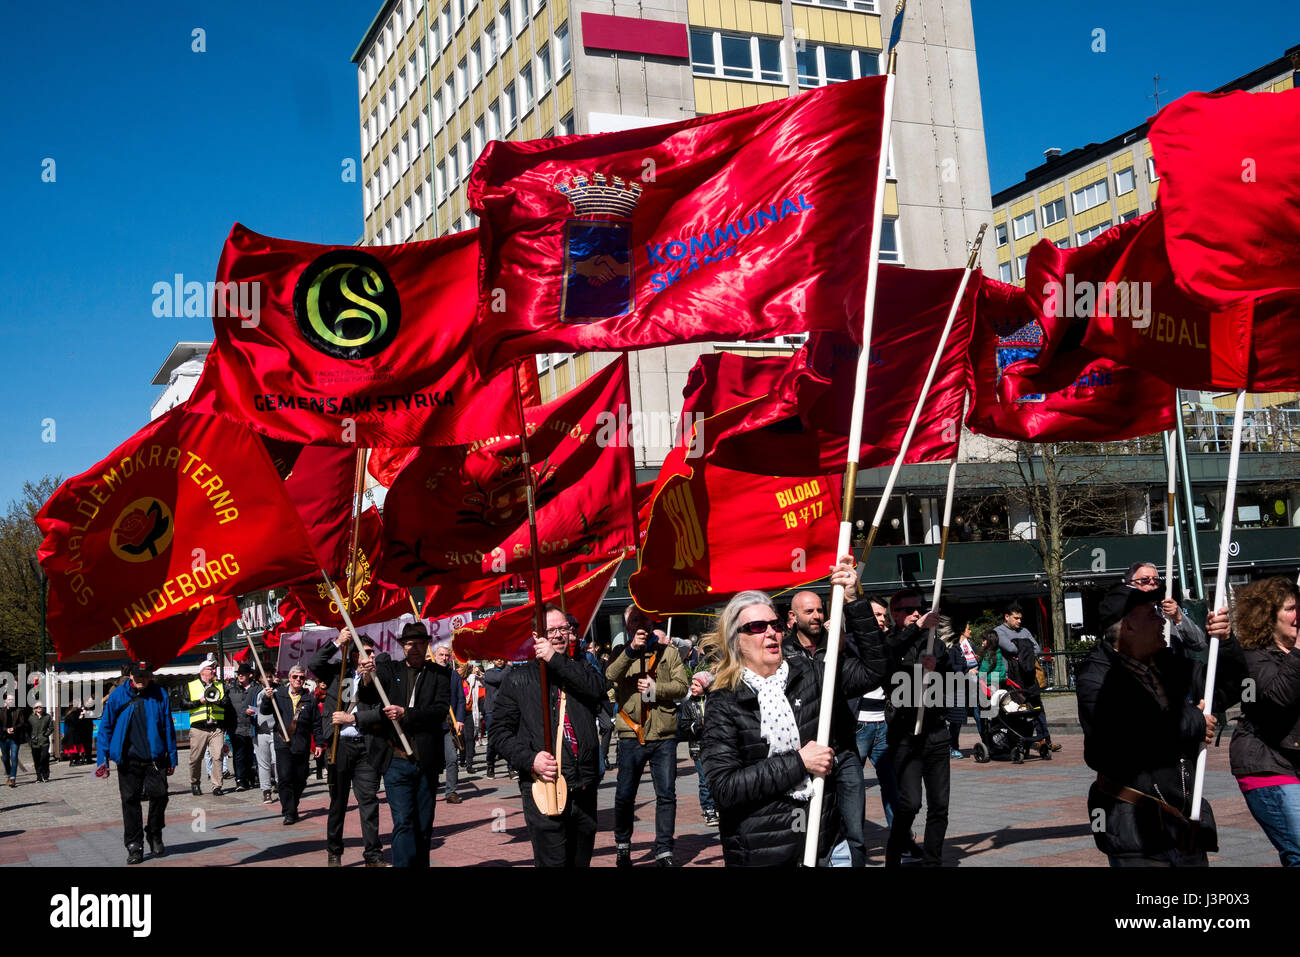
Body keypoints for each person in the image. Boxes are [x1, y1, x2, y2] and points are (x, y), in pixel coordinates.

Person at [699, 556, 885, 866]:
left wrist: (854, 599)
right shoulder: (725, 702)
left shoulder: (807, 674)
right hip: (764, 851)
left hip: (824, 840)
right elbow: (725, 787)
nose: (770, 632)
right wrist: (799, 762)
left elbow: (874, 670)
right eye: (757, 627)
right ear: (737, 640)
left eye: (773, 624)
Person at [1076, 583, 1245, 866]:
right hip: (1133, 827)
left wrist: (1225, 643)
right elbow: (1127, 731)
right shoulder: (1096, 677)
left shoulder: (1168, 664)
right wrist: (1194, 720)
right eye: (1152, 614)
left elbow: (1229, 685)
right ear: (1128, 626)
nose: (1161, 620)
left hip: (1184, 822)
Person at [490, 605, 612, 866]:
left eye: (564, 628)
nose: (559, 635)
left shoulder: (581, 668)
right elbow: (499, 733)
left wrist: (557, 661)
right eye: (551, 630)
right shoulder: (518, 679)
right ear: (537, 636)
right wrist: (530, 759)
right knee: (553, 863)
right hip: (543, 787)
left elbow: (598, 689)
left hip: (583, 786)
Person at [784, 588, 868, 867]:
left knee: (854, 830)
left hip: (843, 750)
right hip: (806, 755)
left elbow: (874, 667)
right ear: (792, 618)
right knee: (810, 830)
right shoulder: (783, 653)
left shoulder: (837, 646)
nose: (817, 616)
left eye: (820, 610)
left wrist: (845, 643)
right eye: (809, 611)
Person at [358, 622, 451, 867]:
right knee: (403, 823)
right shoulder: (391, 669)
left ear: (427, 645)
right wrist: (367, 677)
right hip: (396, 761)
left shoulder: (440, 673)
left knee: (423, 825)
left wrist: (406, 714)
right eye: (410, 643)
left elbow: (439, 711)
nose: (415, 648)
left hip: (425, 761)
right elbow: (367, 696)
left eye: (420, 643)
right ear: (402, 646)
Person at [607, 603, 690, 866]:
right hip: (631, 734)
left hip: (663, 734)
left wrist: (657, 688)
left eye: (644, 621)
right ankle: (623, 844)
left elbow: (681, 687)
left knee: (666, 794)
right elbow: (611, 675)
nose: (640, 627)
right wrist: (632, 649)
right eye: (634, 621)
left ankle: (664, 849)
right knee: (624, 794)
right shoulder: (621, 651)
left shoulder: (668, 652)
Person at [1227, 577, 1300, 866]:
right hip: (1268, 764)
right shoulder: (1252, 658)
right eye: (1292, 609)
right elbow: (1278, 697)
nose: (1298, 616)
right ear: (1268, 617)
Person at [307, 629, 387, 866]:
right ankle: (334, 851)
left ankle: (373, 854)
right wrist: (337, 642)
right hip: (339, 747)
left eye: (373, 653)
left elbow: (382, 711)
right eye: (367, 652)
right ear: (354, 655)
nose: (371, 657)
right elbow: (314, 663)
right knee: (338, 803)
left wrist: (353, 718)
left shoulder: (378, 679)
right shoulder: (338, 673)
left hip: (366, 747)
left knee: (369, 802)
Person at [882, 588, 948, 867]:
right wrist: (916, 630)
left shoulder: (933, 642)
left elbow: (954, 681)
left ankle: (932, 861)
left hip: (935, 733)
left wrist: (939, 669)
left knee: (939, 806)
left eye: (918, 608)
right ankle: (894, 854)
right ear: (894, 614)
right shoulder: (888, 643)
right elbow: (887, 663)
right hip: (905, 734)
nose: (916, 613)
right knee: (910, 802)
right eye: (908, 610)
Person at [96, 660, 177, 864]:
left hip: (155, 757)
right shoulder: (117, 696)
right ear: (131, 676)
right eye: (138, 675)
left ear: (151, 676)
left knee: (160, 795)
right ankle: (134, 846)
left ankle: (154, 831)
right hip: (127, 759)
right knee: (130, 802)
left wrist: (172, 757)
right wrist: (102, 760)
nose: (141, 679)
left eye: (145, 675)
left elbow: (168, 726)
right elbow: (105, 728)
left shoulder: (160, 694)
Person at [856, 597, 899, 831]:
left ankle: (900, 837)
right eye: (876, 615)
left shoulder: (888, 643)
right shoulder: (851, 643)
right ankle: (851, 840)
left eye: (884, 615)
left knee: (891, 783)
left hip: (883, 723)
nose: (882, 620)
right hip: (858, 726)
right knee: (852, 786)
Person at [261, 665, 323, 825]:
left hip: (302, 744)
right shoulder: (278, 695)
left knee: (301, 779)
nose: (298, 680)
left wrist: (319, 743)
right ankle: (289, 811)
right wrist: (267, 699)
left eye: (301, 677)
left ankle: (292, 805)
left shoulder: (309, 699)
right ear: (289, 678)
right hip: (283, 743)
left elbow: (316, 723)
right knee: (285, 778)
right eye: (295, 677)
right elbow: (265, 710)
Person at [994, 601, 1058, 752]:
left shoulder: (1025, 631)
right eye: (1016, 618)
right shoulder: (998, 631)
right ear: (1006, 617)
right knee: (1018, 712)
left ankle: (1045, 740)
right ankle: (1019, 743)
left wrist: (1021, 653)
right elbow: (1009, 648)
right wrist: (1026, 650)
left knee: (1037, 709)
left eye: (1020, 618)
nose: (1019, 621)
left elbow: (1037, 648)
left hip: (1029, 676)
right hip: (1012, 679)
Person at [1124, 562, 1208, 658]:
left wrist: (1178, 618)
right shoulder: (1121, 613)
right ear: (1130, 584)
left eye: (1156, 580)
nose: (1152, 583)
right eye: (1145, 580)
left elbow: (1200, 644)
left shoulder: (1167, 611)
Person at [181, 659, 230, 796]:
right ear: (203, 671)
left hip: (216, 728)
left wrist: (218, 701)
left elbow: (226, 702)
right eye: (210, 668)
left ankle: (217, 786)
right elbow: (183, 704)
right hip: (199, 728)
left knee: (217, 756)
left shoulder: (219, 685)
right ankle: (195, 783)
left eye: (214, 668)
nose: (213, 670)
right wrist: (200, 701)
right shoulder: (191, 685)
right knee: (195, 758)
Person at [679, 670, 717, 827]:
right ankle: (708, 808)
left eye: (697, 684)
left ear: (706, 686)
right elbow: (684, 726)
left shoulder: (714, 701)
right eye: (692, 684)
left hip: (715, 746)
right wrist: (697, 726)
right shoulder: (688, 705)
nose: (692, 687)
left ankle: (718, 804)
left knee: (716, 776)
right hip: (698, 748)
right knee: (704, 779)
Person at [432, 640, 466, 804]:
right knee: (430, 760)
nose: (444, 658)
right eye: (441, 655)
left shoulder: (454, 675)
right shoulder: (427, 672)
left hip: (448, 724)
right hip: (430, 724)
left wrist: (459, 719)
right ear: (435, 655)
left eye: (447, 655)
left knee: (452, 758)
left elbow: (461, 699)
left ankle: (451, 791)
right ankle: (428, 789)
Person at [939, 616, 974, 759]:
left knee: (957, 721)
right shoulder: (952, 649)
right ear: (962, 631)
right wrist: (966, 670)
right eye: (967, 628)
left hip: (962, 689)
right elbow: (952, 667)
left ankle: (952, 746)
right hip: (952, 689)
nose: (970, 630)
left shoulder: (964, 647)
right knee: (954, 720)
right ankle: (951, 746)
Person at [226, 663, 259, 791]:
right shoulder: (231, 690)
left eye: (243, 673)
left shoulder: (256, 688)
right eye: (239, 673)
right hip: (237, 726)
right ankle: (240, 780)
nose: (240, 675)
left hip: (253, 726)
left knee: (250, 754)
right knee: (239, 754)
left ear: (249, 675)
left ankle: (250, 776)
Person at [252, 678, 281, 804]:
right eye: (265, 675)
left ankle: (280, 786)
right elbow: (246, 708)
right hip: (260, 732)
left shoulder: (279, 690)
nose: (268, 678)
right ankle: (266, 791)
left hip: (276, 731)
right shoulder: (255, 691)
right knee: (263, 764)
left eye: (270, 675)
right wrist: (251, 711)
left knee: (277, 761)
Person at [481, 658, 509, 778]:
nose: (499, 661)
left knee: (509, 738)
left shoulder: (509, 671)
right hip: (491, 710)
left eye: (501, 658)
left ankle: (511, 767)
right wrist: (509, 666)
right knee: (492, 740)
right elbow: (499, 678)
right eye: (497, 659)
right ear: (492, 660)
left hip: (507, 709)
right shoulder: (489, 673)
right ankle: (490, 765)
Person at [0, 694, 23, 787]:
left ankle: (12, 778)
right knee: (5, 758)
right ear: (6, 701)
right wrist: (6, 729)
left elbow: (22, 723)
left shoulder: (19, 711)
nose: (11, 701)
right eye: (9, 699)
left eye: (12, 699)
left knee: (14, 757)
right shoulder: (1, 711)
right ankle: (9, 775)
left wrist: (14, 728)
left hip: (14, 738)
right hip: (3, 738)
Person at [28, 702, 53, 783]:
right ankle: (39, 777)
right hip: (34, 742)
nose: (39, 708)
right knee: (36, 760)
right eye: (37, 707)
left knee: (44, 757)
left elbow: (51, 727)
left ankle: (45, 776)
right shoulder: (31, 718)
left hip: (44, 741)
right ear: (34, 708)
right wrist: (29, 739)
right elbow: (27, 729)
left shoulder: (47, 717)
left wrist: (46, 734)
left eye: (40, 707)